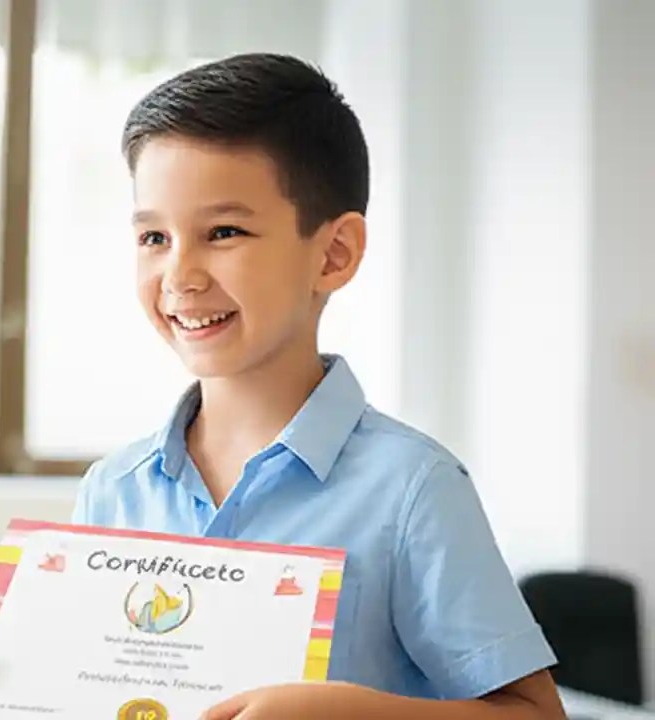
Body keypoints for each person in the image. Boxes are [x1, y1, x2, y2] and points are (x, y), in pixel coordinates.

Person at [70, 54, 567, 719]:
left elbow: (536, 715)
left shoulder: (412, 489)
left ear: (334, 254)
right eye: (154, 236)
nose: (180, 275)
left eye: (224, 232)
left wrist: (355, 714)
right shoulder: (112, 490)